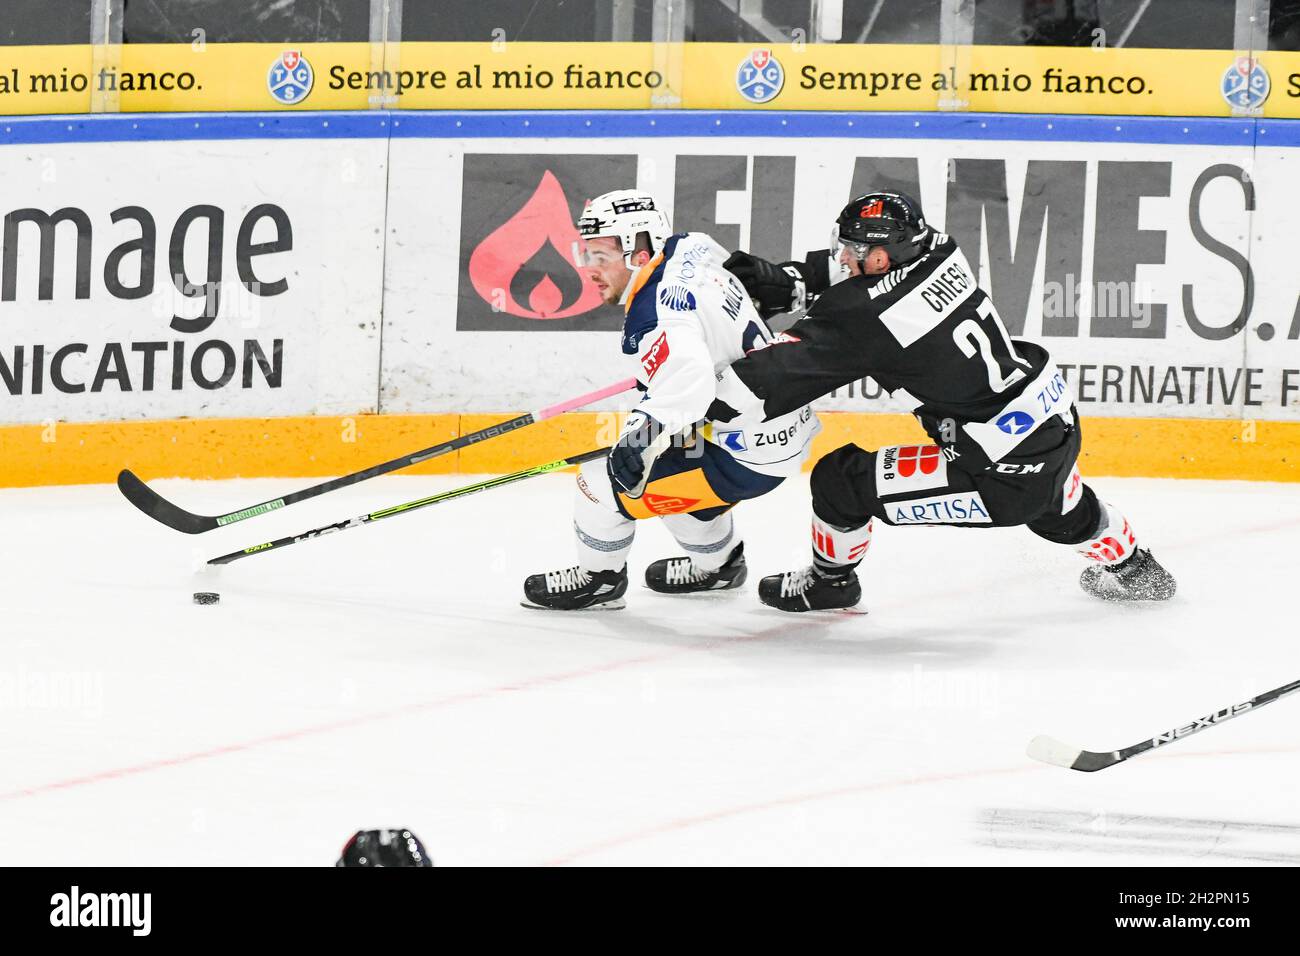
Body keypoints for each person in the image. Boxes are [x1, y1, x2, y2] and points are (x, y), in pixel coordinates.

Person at [719, 190, 1176, 612]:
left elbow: (766, 381)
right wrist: (794, 281)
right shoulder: (939, 249)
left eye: (850, 250)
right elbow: (857, 278)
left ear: (880, 256)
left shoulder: (867, 319)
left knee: (841, 481)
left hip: (998, 472)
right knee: (1054, 505)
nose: (842, 257)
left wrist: (674, 402)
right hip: (1050, 425)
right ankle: (1136, 570)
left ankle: (830, 582)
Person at [521, 190, 820, 610]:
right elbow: (713, 312)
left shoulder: (656, 317)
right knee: (673, 480)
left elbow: (690, 382)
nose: (590, 270)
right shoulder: (689, 245)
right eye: (588, 255)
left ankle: (601, 580)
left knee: (600, 482)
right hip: (777, 427)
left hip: (744, 453)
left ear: (639, 254)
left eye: (601, 257)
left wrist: (637, 437)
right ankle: (721, 567)